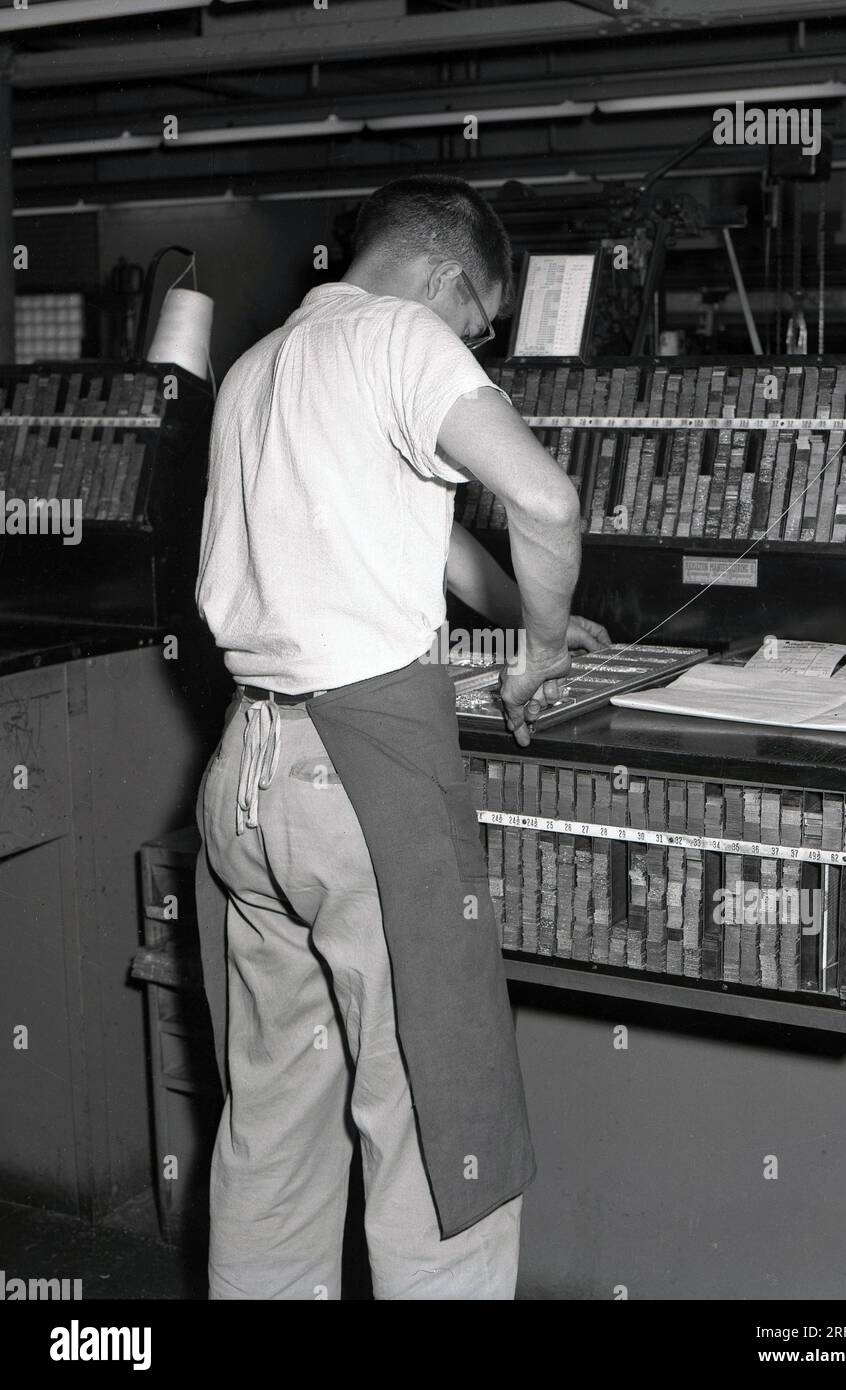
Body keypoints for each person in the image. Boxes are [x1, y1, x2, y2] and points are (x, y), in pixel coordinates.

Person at [194, 173, 608, 1301]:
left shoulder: (259, 365)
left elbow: (413, 538)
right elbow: (547, 501)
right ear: (440, 278)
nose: (478, 345)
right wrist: (544, 652)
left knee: (275, 1120)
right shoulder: (402, 340)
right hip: (365, 778)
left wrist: (539, 611)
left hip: (245, 778)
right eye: (480, 320)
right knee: (440, 1120)